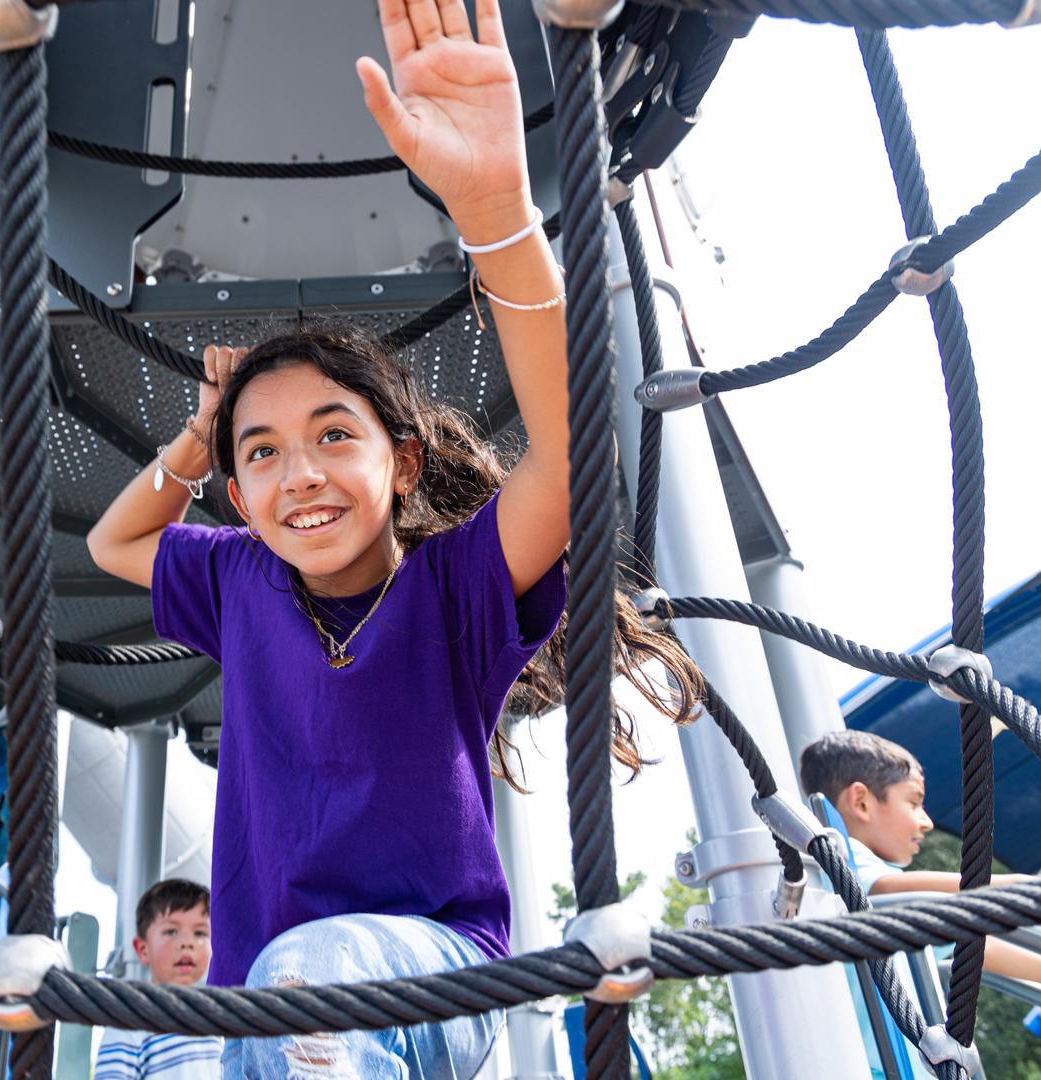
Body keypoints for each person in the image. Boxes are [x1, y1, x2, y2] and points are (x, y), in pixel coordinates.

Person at [85, 3, 702, 1075]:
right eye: (265, 454)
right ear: (238, 494)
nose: (303, 473)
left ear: (402, 464)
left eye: (335, 435)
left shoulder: (456, 588)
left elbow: (567, 458)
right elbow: (115, 540)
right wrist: (198, 436)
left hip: (426, 970)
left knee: (318, 996)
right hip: (257, 997)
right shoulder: (237, 576)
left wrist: (499, 210)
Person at [799, 730, 1041, 1062]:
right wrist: (1037, 891)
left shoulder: (893, 900)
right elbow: (889, 892)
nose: (927, 822)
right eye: (914, 802)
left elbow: (978, 947)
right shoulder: (834, 858)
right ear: (861, 801)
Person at [93, 880, 222, 1079]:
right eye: (171, 931)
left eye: (200, 933)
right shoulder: (130, 1019)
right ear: (143, 950)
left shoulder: (221, 1012)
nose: (187, 943)